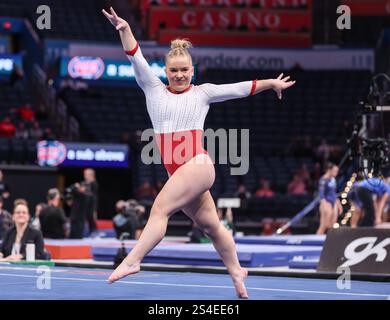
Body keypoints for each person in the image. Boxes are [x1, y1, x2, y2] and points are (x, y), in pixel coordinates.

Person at [102, 6, 295, 298]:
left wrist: (270, 83)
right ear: (165, 72)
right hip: (179, 171)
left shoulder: (202, 93)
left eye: (184, 70)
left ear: (193, 71)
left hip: (198, 164)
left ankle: (133, 260)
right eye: (174, 71)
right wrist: (125, 29)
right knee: (212, 226)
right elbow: (135, 57)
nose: (179, 75)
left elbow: (239, 88)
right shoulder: (153, 89)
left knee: (160, 209)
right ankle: (236, 273)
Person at [316, 163, 342, 234]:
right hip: (326, 202)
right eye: (334, 171)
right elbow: (321, 194)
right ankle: (318, 240)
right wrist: (324, 205)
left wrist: (339, 204)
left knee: (333, 224)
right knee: (324, 224)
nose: (336, 173)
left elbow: (334, 193)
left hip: (334, 201)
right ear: (329, 170)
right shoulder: (323, 180)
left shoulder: (333, 180)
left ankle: (330, 241)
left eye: (337, 171)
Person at [83, 168, 98, 233]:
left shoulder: (94, 184)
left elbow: (93, 195)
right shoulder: (84, 183)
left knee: (91, 219)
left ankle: (94, 231)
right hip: (85, 205)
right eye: (85, 174)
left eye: (86, 174)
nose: (85, 176)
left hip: (92, 206)